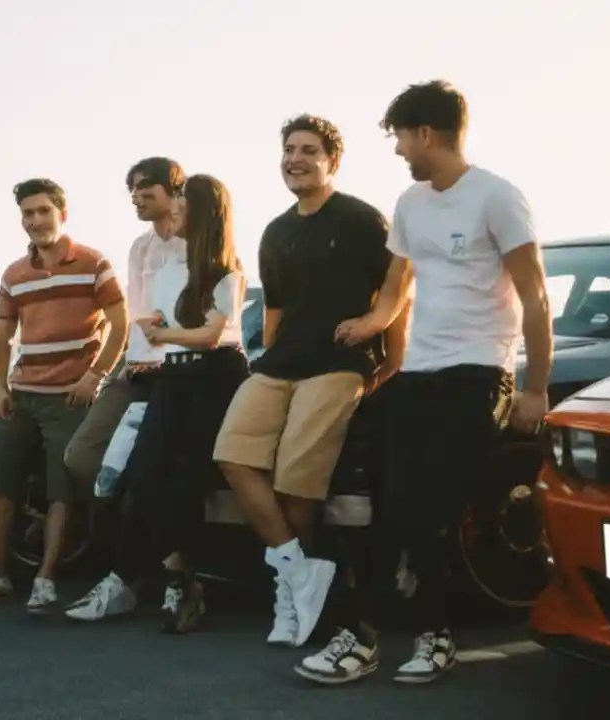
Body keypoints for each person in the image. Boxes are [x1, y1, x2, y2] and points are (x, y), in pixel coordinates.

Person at [295, 79, 552, 685]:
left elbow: (535, 295)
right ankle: (414, 634)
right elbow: (396, 288)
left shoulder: (497, 197)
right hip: (420, 373)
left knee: (423, 509)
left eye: (401, 137)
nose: (398, 150)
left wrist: (535, 386)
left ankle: (378, 638)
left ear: (427, 134)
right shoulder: (411, 205)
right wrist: (371, 326)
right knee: (375, 501)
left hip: (478, 372)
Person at [213, 114, 408, 649]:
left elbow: (399, 287)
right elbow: (273, 305)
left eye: (307, 151)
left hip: (340, 363)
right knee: (233, 454)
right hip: (281, 363)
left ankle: (296, 603)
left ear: (332, 161)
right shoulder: (276, 230)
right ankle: (301, 574)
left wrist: (390, 357)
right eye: (289, 150)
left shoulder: (362, 220)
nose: (294, 159)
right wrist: (270, 352)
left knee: (297, 485)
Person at [65, 174, 250, 634]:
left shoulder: (226, 271)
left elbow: (210, 336)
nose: (175, 210)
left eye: (182, 203)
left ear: (202, 212)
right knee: (145, 475)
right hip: (173, 374)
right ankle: (171, 576)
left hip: (216, 376)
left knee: (185, 482)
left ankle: (179, 586)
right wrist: (152, 337)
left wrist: (162, 333)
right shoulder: (164, 268)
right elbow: (154, 321)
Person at [0, 178, 128, 614]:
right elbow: (2, 336)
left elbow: (120, 322)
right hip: (20, 394)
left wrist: (95, 376)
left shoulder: (93, 263)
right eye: (27, 215)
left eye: (43, 212)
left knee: (61, 493)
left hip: (69, 398)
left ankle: (45, 580)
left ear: (62, 214)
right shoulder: (14, 274)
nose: (35, 221)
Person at [63, 158, 187, 492]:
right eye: (131, 189)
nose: (135, 196)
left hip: (182, 373)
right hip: (135, 369)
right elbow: (138, 313)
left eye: (144, 186)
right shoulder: (140, 247)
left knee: (160, 462)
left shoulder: (200, 243)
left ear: (173, 189)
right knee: (82, 457)